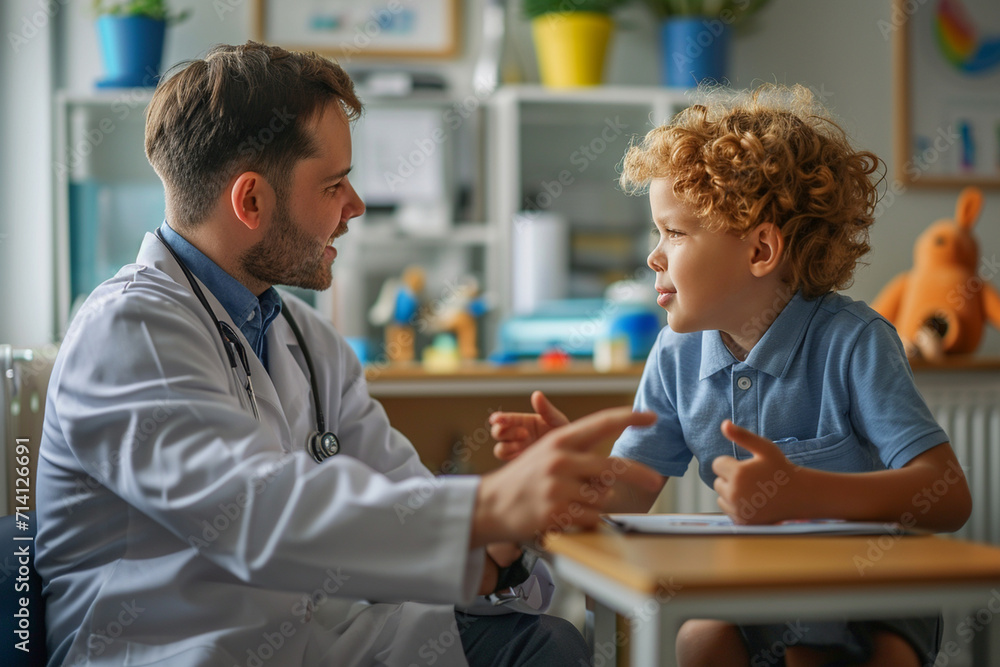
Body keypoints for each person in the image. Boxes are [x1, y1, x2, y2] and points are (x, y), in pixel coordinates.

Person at [34, 41, 663, 667]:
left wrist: (504, 542)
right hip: (171, 654)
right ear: (251, 200)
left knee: (541, 646)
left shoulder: (307, 340)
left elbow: (404, 501)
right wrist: (490, 505)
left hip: (320, 646)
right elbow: (254, 514)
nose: (355, 206)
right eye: (334, 184)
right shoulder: (128, 328)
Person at [489, 84, 972, 667]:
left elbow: (947, 495)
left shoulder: (855, 341)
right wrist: (572, 470)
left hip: (869, 589)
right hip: (752, 591)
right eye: (655, 231)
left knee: (842, 656)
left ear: (761, 250)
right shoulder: (675, 353)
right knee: (698, 637)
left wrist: (805, 492)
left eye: (676, 232)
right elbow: (631, 491)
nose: (654, 256)